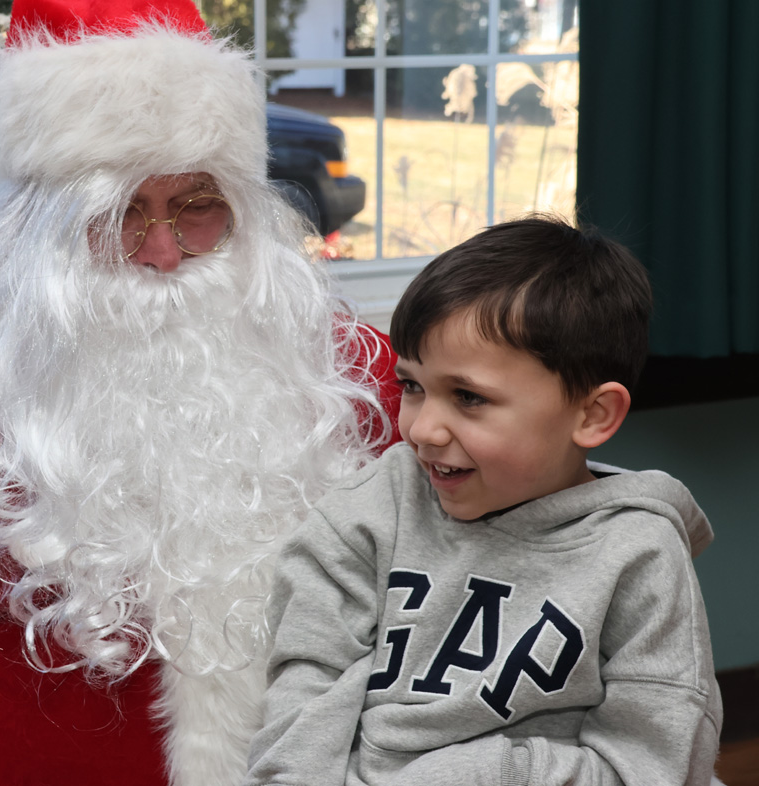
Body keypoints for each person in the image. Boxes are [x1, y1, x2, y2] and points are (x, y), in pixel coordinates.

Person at [0, 0, 402, 784]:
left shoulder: (360, 392)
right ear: (33, 236)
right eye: (119, 214)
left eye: (198, 205)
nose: (164, 253)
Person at [245, 216, 723, 786]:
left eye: (468, 397)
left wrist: (485, 774)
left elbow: (655, 765)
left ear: (593, 415)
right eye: (413, 387)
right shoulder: (372, 509)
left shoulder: (638, 554)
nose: (422, 429)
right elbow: (306, 694)